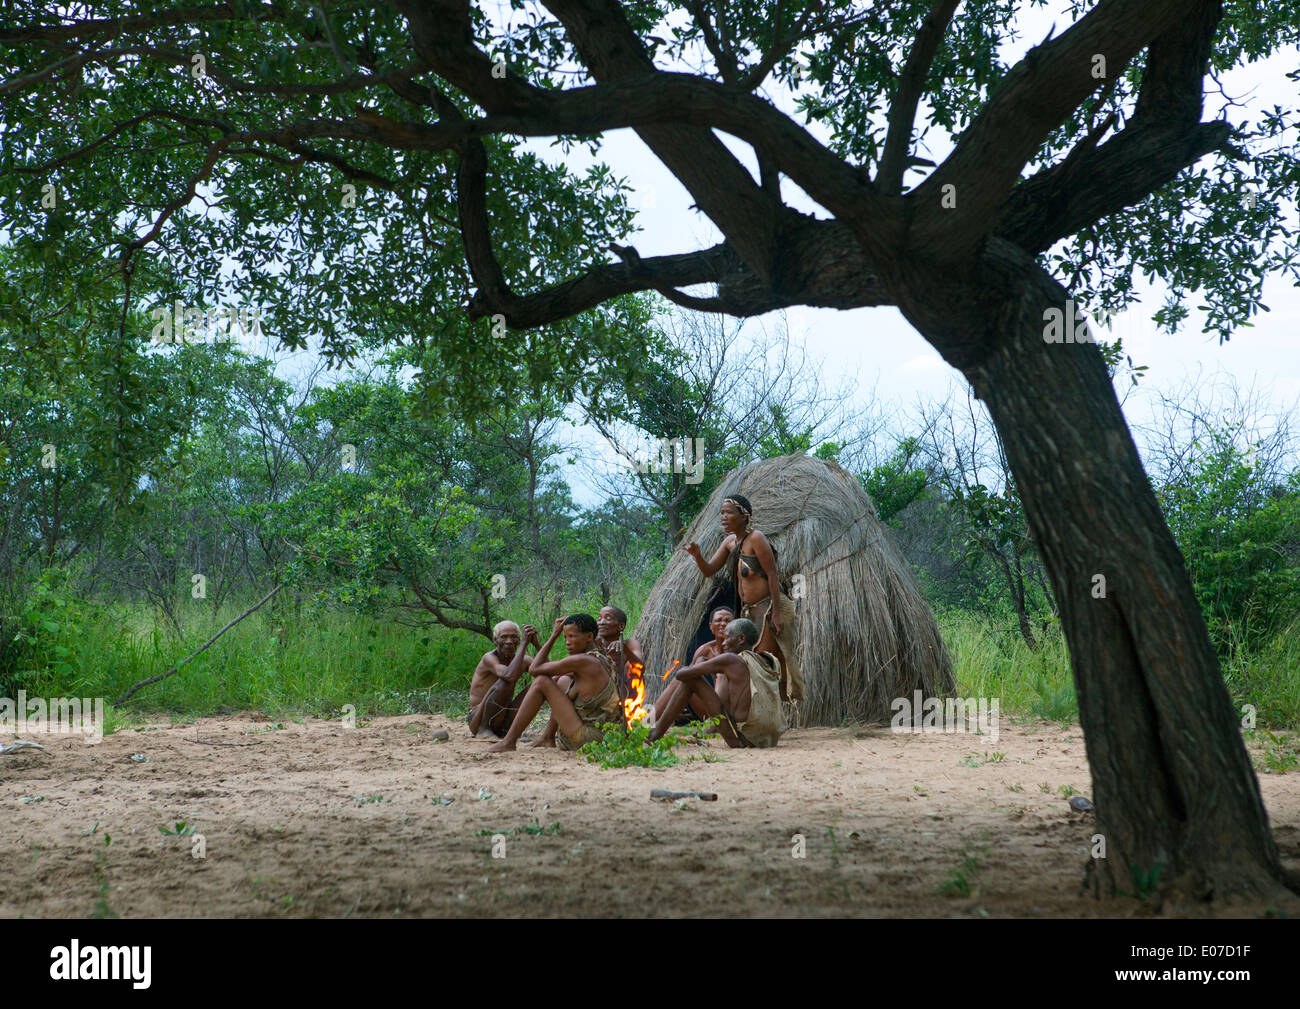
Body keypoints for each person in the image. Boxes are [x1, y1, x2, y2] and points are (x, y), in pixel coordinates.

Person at [683, 494, 804, 705]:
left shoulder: (756, 538)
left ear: (744, 516)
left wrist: (776, 613)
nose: (723, 517)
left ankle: (780, 709)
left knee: (766, 661)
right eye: (721, 513)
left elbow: (773, 575)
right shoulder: (730, 542)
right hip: (749, 612)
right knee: (750, 660)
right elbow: (710, 570)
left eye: (728, 513)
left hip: (769, 607)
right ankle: (760, 712)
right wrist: (697, 556)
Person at [488, 614, 624, 753]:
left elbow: (535, 670)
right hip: (608, 737)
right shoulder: (600, 656)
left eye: (572, 636)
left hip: (589, 739)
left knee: (541, 682)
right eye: (564, 637)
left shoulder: (583, 661)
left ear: (589, 637)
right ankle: (548, 737)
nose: (567, 642)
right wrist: (536, 644)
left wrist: (553, 636)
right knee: (561, 681)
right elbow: (550, 673)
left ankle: (509, 741)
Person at [647, 618, 785, 748]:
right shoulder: (766, 660)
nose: (723, 643)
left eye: (726, 638)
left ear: (741, 639)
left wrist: (700, 663)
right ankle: (657, 729)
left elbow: (681, 675)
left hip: (742, 739)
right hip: (768, 739)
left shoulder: (730, 660)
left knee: (691, 679)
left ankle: (656, 732)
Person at [533, 603, 645, 746]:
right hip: (596, 702)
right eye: (599, 618)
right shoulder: (594, 646)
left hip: (622, 698)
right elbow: (561, 669)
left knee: (559, 680)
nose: (601, 621)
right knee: (561, 680)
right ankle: (548, 735)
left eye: (607, 618)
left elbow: (640, 667)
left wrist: (625, 650)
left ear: (621, 626)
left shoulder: (630, 643)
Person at [650, 605, 732, 725]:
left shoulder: (738, 650)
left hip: (729, 713)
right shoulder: (705, 650)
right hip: (709, 711)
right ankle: (647, 722)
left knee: (685, 674)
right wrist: (675, 707)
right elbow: (688, 681)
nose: (723, 624)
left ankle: (649, 723)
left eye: (727, 621)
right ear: (710, 627)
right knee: (682, 679)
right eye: (718, 620)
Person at [466, 620, 534, 739]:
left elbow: (549, 671)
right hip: (478, 718)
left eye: (513, 637)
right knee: (506, 680)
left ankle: (511, 731)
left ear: (518, 639)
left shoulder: (523, 659)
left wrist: (536, 643)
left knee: (540, 682)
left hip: (503, 717)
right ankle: (483, 730)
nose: (509, 641)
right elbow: (508, 675)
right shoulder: (489, 658)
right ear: (495, 640)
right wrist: (524, 645)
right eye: (504, 637)